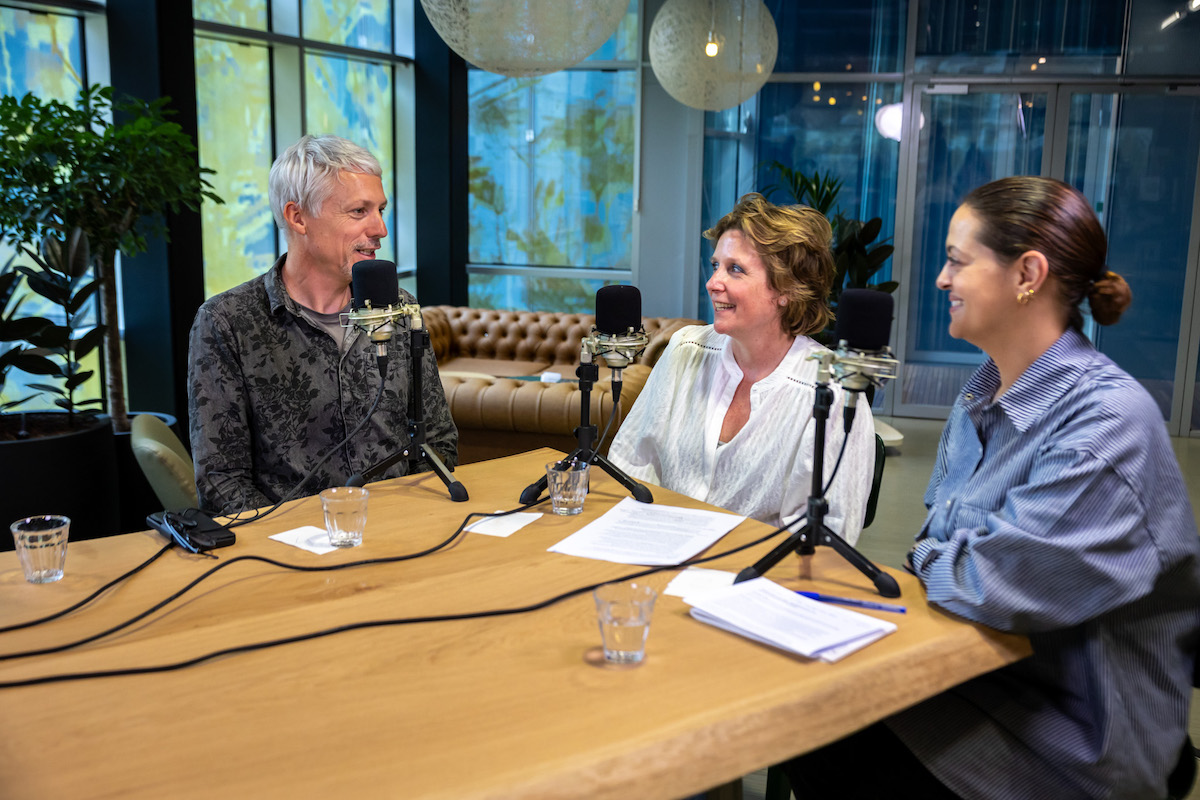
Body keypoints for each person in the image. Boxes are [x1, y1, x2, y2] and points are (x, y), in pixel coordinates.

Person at [784, 176, 1200, 799]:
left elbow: (986, 582)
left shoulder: (1108, 425)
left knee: (817, 734)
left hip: (1071, 742)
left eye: (958, 261)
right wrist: (945, 560)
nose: (941, 279)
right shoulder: (982, 393)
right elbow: (957, 562)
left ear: (1027, 274)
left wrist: (934, 559)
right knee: (804, 714)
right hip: (978, 683)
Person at [188, 134, 457, 514]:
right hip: (289, 542)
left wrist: (405, 520)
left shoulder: (400, 307)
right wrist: (307, 535)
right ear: (297, 217)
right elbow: (221, 480)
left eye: (380, 209)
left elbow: (438, 440)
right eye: (358, 211)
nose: (380, 229)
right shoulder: (226, 322)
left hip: (401, 527)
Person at [609, 192, 875, 542]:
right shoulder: (685, 350)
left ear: (786, 290)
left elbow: (826, 537)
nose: (712, 282)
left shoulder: (831, 392)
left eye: (735, 269)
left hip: (758, 570)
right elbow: (630, 466)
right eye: (716, 265)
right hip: (655, 550)